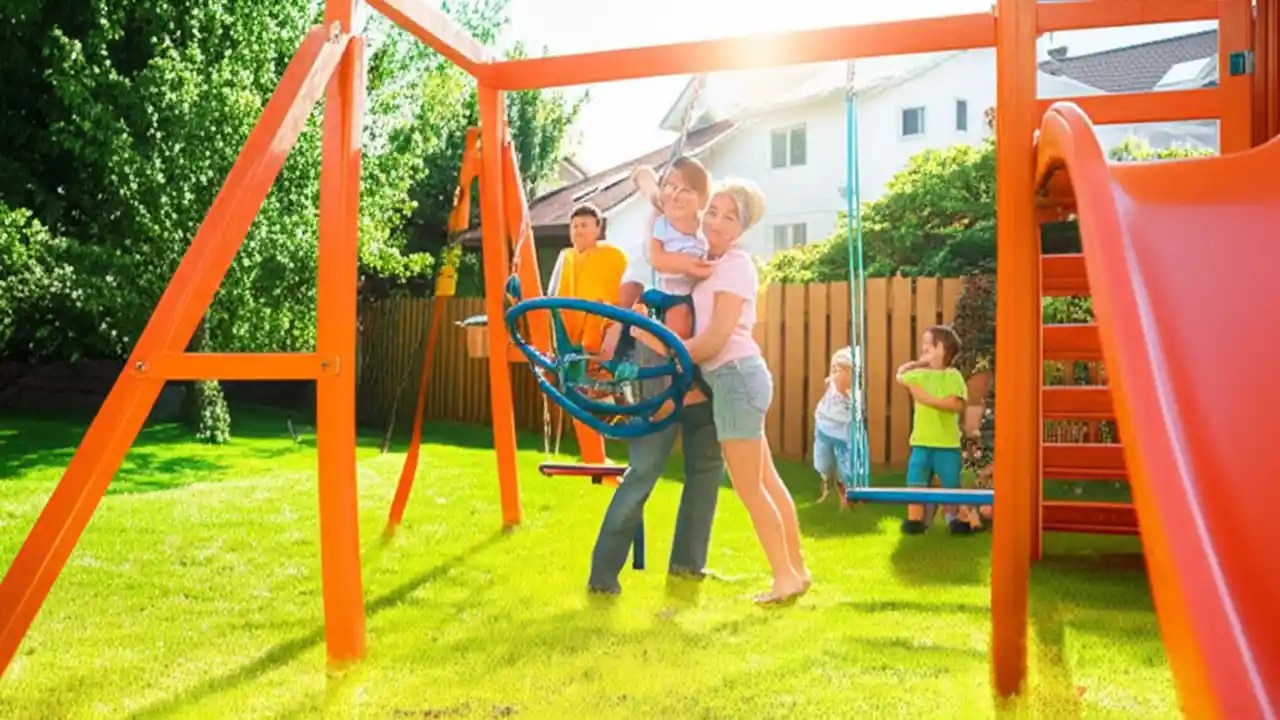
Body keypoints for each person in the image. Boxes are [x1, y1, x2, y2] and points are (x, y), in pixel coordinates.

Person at [644, 177, 811, 604]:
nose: (716, 221)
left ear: (742, 227)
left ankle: (783, 578)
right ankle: (797, 570)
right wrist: (650, 183)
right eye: (712, 211)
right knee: (767, 480)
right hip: (739, 378)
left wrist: (664, 348)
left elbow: (715, 340)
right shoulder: (709, 259)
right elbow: (660, 201)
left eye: (729, 216)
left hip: (736, 377)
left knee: (749, 487)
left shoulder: (735, 265)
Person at [604, 157, 714, 363]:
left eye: (686, 190)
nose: (677, 194)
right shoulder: (661, 214)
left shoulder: (702, 228)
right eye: (671, 187)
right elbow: (657, 259)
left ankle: (677, 367)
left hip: (678, 292)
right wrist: (655, 192)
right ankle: (613, 359)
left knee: (678, 327)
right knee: (627, 303)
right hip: (651, 278)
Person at [895, 325, 977, 535]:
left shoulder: (953, 376)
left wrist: (926, 399)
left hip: (946, 445)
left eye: (928, 346)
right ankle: (915, 520)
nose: (923, 349)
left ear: (941, 349)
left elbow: (956, 405)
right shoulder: (920, 374)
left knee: (950, 484)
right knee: (915, 481)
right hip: (921, 442)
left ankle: (954, 519)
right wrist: (918, 363)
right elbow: (900, 375)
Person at [547, 203, 628, 354]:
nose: (578, 230)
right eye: (575, 226)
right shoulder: (566, 256)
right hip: (568, 330)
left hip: (605, 326)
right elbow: (553, 295)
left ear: (598, 229)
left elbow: (627, 295)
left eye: (584, 225)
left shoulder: (613, 255)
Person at [813, 347, 853, 507]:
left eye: (841, 369)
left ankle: (846, 499)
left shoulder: (852, 392)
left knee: (844, 469)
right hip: (823, 425)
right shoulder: (832, 383)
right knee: (823, 463)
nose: (836, 372)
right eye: (834, 368)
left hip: (842, 432)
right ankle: (827, 490)